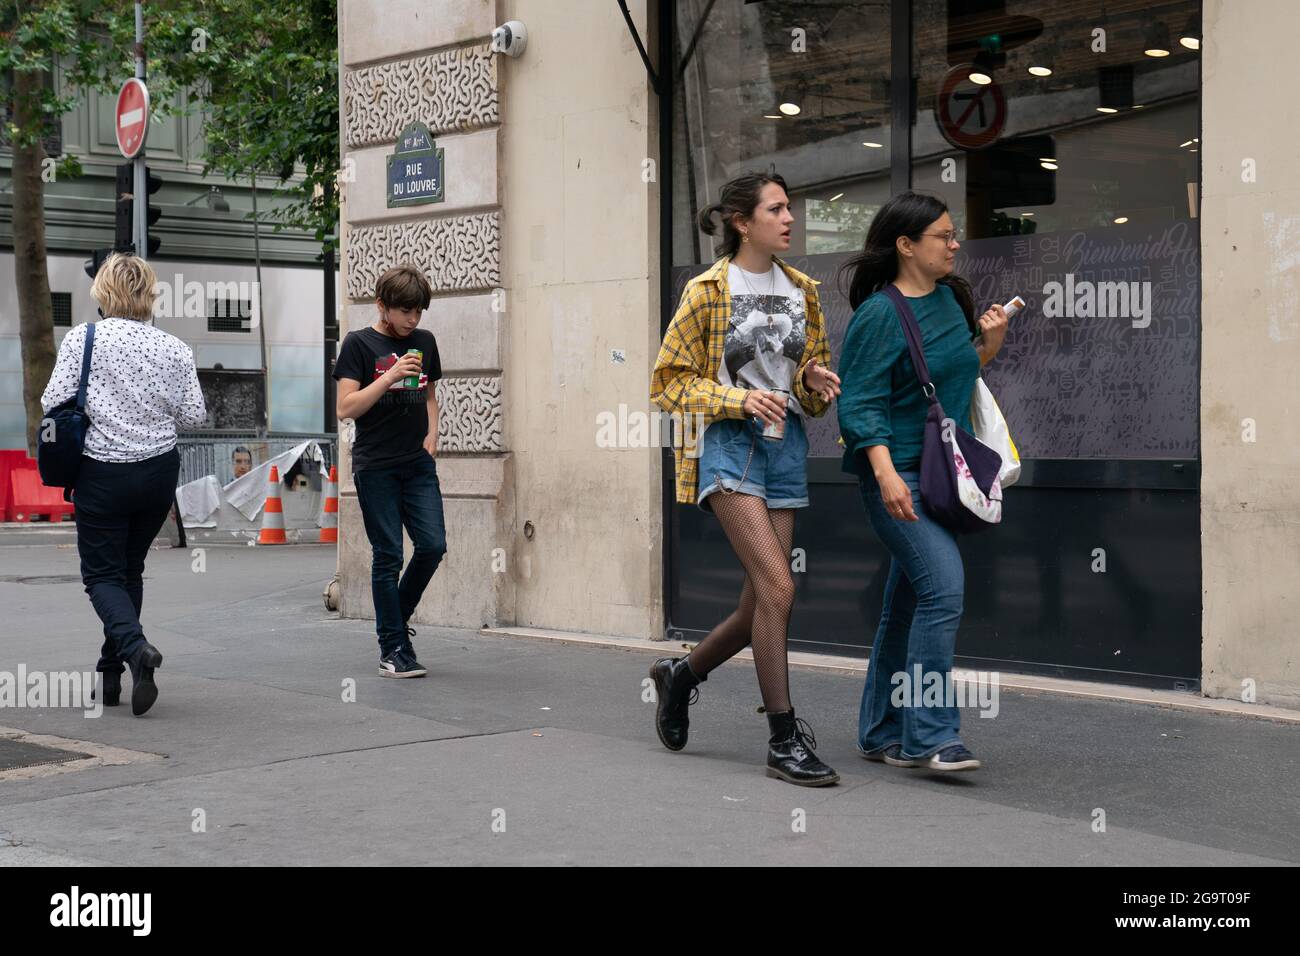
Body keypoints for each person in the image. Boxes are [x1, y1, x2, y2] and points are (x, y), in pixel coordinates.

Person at [649, 171, 842, 787]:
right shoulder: (708, 291)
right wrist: (738, 402)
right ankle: (783, 738)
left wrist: (812, 381)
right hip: (729, 449)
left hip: (784, 449)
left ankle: (680, 677)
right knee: (779, 588)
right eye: (777, 208)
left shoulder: (802, 290)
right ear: (742, 221)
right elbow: (667, 382)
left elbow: (809, 385)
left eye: (791, 207)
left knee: (760, 598)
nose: (790, 218)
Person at [836, 191, 1009, 771]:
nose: (955, 243)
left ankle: (882, 730)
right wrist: (886, 476)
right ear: (906, 245)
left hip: (941, 473)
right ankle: (931, 735)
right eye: (943, 235)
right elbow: (861, 406)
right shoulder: (879, 314)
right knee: (943, 591)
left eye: (954, 233)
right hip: (898, 475)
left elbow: (946, 379)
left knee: (908, 606)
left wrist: (990, 344)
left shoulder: (952, 299)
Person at [40, 253, 207, 716]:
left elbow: (52, 401)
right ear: (149, 294)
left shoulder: (84, 339)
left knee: (101, 575)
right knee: (128, 571)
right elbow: (195, 415)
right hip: (157, 474)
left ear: (103, 292)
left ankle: (136, 651)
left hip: (101, 474)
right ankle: (111, 673)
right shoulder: (175, 348)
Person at [333, 263, 446, 678]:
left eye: (418, 312)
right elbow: (346, 408)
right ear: (382, 306)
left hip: (417, 464)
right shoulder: (358, 345)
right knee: (388, 555)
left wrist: (433, 433)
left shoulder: (424, 341)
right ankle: (393, 648)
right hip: (376, 465)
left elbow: (430, 393)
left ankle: (395, 624)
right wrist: (390, 375)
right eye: (405, 312)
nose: (412, 320)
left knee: (433, 546)